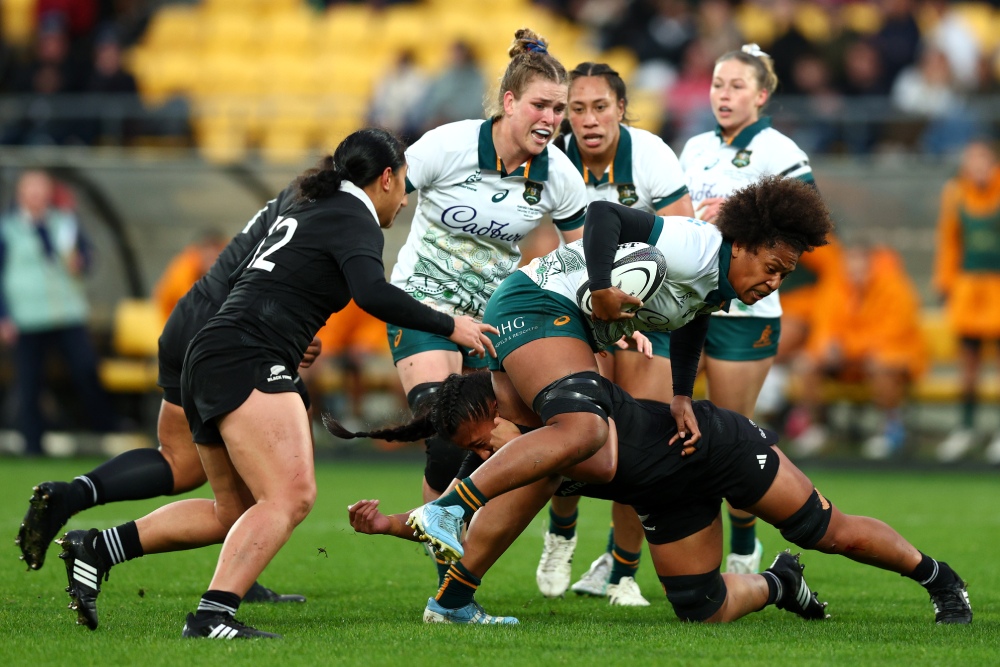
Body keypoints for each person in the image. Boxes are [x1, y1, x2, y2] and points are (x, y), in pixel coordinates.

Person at [50, 128, 498, 639]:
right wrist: (450, 324)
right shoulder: (355, 215)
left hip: (215, 349)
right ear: (388, 177)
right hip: (248, 355)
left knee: (234, 512)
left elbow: (265, 276)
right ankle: (213, 615)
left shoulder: (309, 202)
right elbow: (373, 293)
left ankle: (97, 548)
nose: (403, 201)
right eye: (404, 188)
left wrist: (291, 332)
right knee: (291, 496)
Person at [406, 175, 833, 565]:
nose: (775, 283)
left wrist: (682, 393)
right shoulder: (694, 246)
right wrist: (601, 288)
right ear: (740, 244)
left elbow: (693, 319)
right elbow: (602, 213)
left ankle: (451, 590)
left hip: (543, 310)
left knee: (533, 447)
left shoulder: (717, 283)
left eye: (785, 275)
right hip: (537, 303)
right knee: (586, 434)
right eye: (771, 268)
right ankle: (451, 509)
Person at [337, 370, 972, 627]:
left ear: (496, 408)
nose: (483, 458)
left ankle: (941, 580)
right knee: (701, 608)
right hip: (667, 497)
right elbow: (468, 524)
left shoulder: (562, 411)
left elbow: (591, 452)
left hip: (713, 446)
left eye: (483, 442)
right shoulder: (515, 459)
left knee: (824, 529)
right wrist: (391, 522)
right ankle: (781, 585)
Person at [17, 183, 308, 603]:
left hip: (191, 318)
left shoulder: (289, 196)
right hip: (232, 332)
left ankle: (72, 494)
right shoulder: (333, 210)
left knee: (178, 462)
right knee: (260, 498)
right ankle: (117, 554)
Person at [386, 28, 588, 584]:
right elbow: (380, 200)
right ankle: (446, 570)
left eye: (560, 109)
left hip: (492, 320)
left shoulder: (559, 176)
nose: (551, 118)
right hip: (422, 302)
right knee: (443, 418)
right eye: (540, 105)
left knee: (486, 437)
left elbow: (584, 260)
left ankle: (448, 555)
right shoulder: (447, 145)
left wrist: (618, 321)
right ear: (508, 103)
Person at [535, 61, 695, 605]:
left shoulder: (650, 155)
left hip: (648, 317)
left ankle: (623, 571)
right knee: (572, 425)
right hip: (576, 309)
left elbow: (685, 241)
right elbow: (540, 249)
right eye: (576, 109)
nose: (588, 119)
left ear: (621, 109)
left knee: (643, 444)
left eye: (599, 107)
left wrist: (634, 310)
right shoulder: (551, 163)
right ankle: (560, 535)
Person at [678, 44, 819, 575]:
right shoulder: (693, 148)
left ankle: (743, 546)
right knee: (673, 428)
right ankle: (633, 558)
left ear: (761, 95)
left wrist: (734, 222)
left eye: (737, 86)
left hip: (746, 316)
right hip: (689, 306)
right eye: (717, 84)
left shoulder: (779, 151)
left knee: (732, 435)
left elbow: (806, 231)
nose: (724, 95)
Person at [0, 169, 121, 457]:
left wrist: (83, 260)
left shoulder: (65, 223)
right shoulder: (7, 229)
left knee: (85, 369)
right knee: (30, 382)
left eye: (41, 190)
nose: (36, 196)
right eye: (30, 190)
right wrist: (4, 315)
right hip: (27, 316)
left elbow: (88, 259)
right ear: (21, 194)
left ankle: (104, 432)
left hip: (68, 313)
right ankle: (32, 445)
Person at [787, 243, 927, 460]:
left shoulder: (894, 286)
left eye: (861, 266)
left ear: (872, 265)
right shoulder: (835, 285)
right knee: (806, 363)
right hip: (848, 361)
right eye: (850, 265)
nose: (855, 272)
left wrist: (849, 347)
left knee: (882, 365)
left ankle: (892, 429)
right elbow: (823, 325)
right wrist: (829, 345)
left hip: (889, 358)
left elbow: (894, 332)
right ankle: (816, 429)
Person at [933, 140, 1000, 463]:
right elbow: (949, 241)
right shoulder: (956, 194)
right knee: (969, 366)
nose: (978, 167)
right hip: (969, 290)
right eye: (972, 161)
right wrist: (944, 284)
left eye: (983, 160)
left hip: (997, 287)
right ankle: (967, 427)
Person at [153, 230, 226, 321]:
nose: (212, 257)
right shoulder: (184, 269)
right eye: (208, 254)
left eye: (216, 252)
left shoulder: (229, 263)